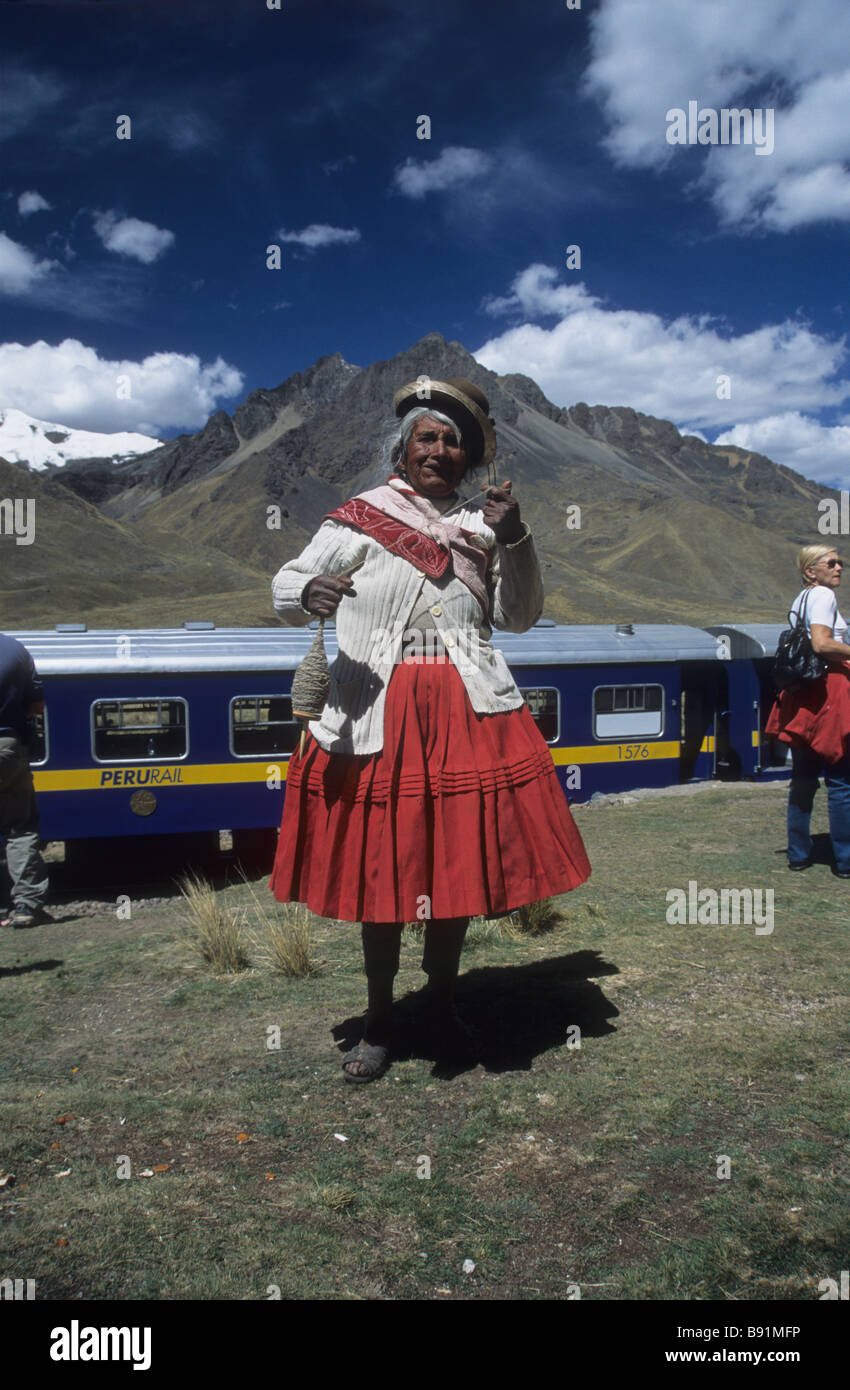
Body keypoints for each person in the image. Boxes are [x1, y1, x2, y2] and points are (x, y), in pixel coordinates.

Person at [269, 377, 591, 1081]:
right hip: (376, 707)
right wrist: (308, 592)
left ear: (469, 455)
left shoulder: (485, 528)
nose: (439, 450)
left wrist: (517, 538)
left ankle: (441, 1003)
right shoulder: (359, 518)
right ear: (404, 447)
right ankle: (381, 1017)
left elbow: (522, 616)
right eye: (427, 437)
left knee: (451, 867)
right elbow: (285, 581)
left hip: (466, 711)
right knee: (383, 872)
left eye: (453, 440)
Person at [766, 544, 850, 875]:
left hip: (802, 697)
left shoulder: (800, 599)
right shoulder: (824, 597)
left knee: (803, 779)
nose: (840, 567)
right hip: (828, 695)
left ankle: (799, 854)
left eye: (841, 561)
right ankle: (845, 861)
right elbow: (821, 643)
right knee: (841, 782)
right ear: (810, 571)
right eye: (831, 562)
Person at [0, 632, 49, 927]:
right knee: (20, 826)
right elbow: (36, 706)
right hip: (7, 746)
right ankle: (26, 906)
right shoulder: (15, 650)